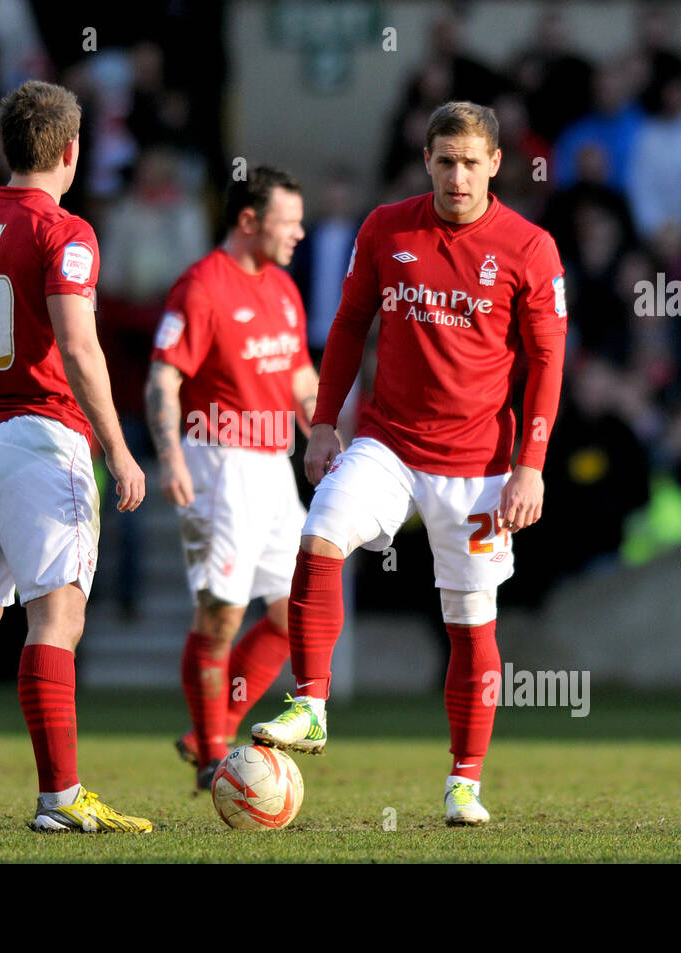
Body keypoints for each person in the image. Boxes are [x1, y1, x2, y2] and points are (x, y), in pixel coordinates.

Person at [250, 102, 568, 826]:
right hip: (389, 443)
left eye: (471, 161)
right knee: (321, 533)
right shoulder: (386, 227)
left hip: (484, 463)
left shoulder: (531, 248)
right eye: (444, 160)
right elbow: (349, 322)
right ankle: (312, 702)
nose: (458, 175)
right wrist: (324, 423)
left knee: (471, 622)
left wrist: (532, 464)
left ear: (495, 164)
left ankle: (464, 780)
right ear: (427, 161)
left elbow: (548, 363)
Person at [0, 80, 151, 834]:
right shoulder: (67, 232)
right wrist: (117, 444)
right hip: (43, 437)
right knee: (57, 616)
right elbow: (78, 346)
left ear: (3, 147)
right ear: (72, 150)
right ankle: (59, 797)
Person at [145, 166, 318, 790]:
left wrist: (327, 440)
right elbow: (163, 377)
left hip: (274, 469)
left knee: (297, 614)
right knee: (219, 617)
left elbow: (301, 381)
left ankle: (208, 733)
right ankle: (215, 751)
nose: (299, 233)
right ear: (249, 221)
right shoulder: (201, 287)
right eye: (288, 222)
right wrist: (169, 459)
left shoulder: (283, 290)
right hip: (219, 465)